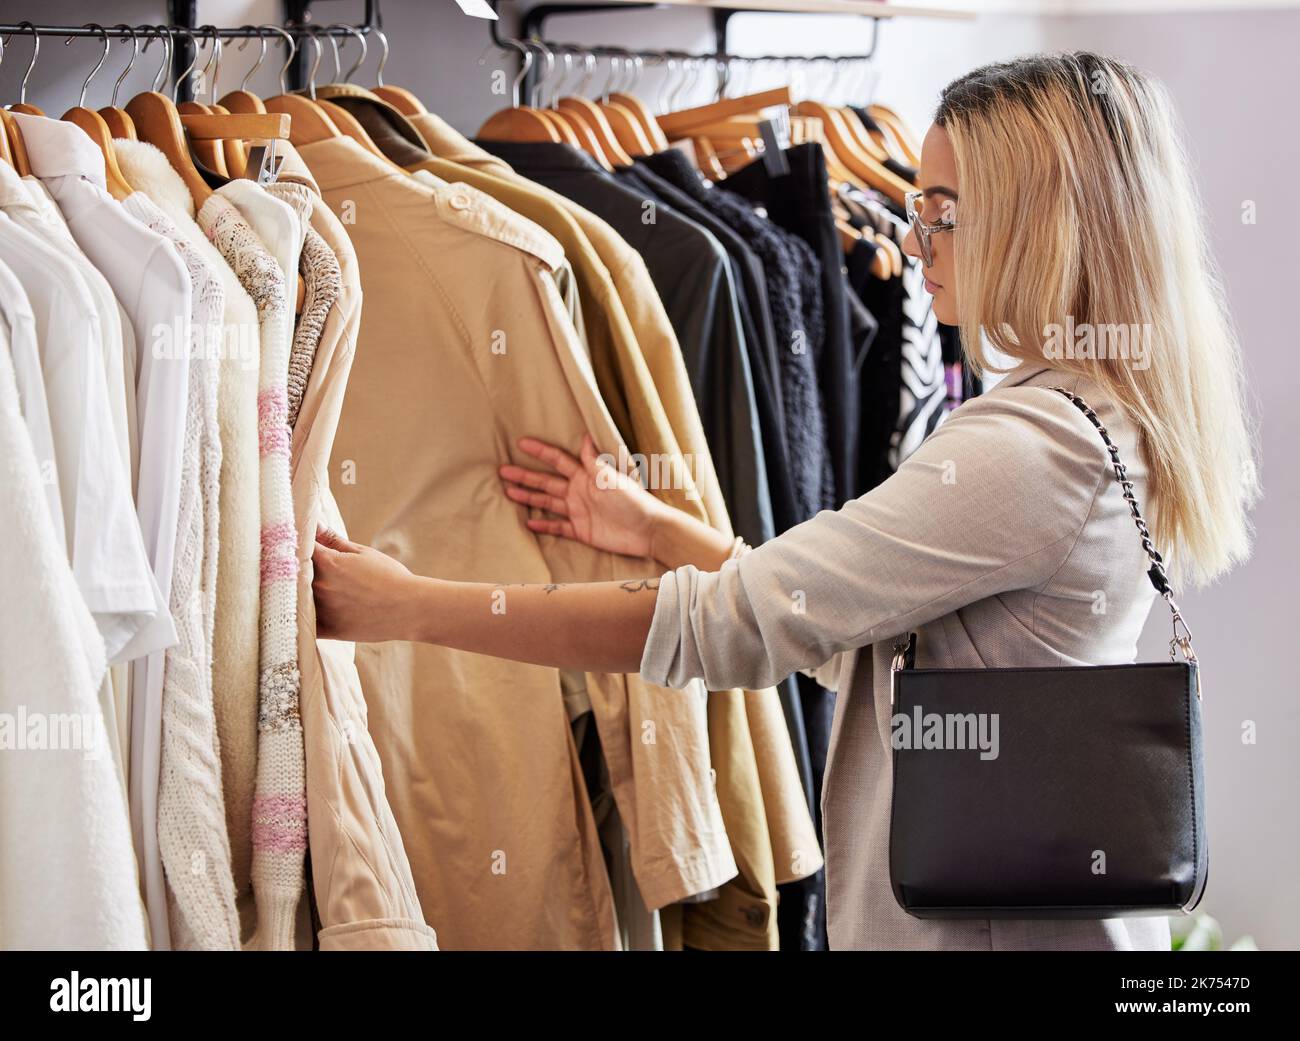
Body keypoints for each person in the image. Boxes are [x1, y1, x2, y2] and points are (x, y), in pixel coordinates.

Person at [311, 52, 1257, 950]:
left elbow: (740, 626)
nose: (917, 242)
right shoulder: (1101, 411)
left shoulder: (1027, 451)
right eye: (919, 209)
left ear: (1040, 222)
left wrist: (408, 605)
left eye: (947, 213)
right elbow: (867, 644)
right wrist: (661, 530)